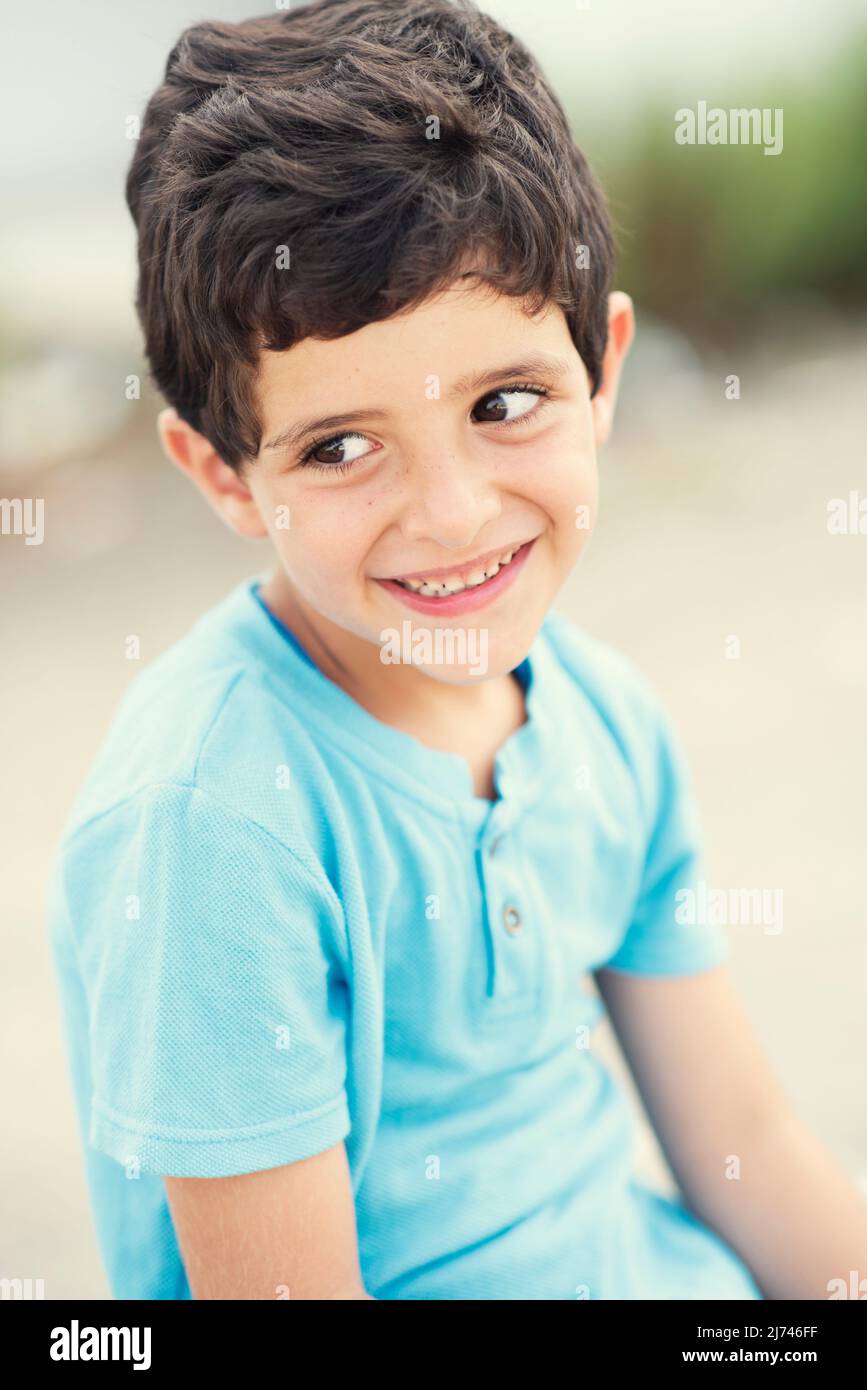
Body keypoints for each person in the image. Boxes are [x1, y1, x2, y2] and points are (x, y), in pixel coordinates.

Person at [46, 0, 867, 1299]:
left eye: (504, 404)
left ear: (603, 373)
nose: (452, 515)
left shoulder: (608, 723)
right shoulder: (211, 824)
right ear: (219, 474)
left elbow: (749, 1150)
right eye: (338, 447)